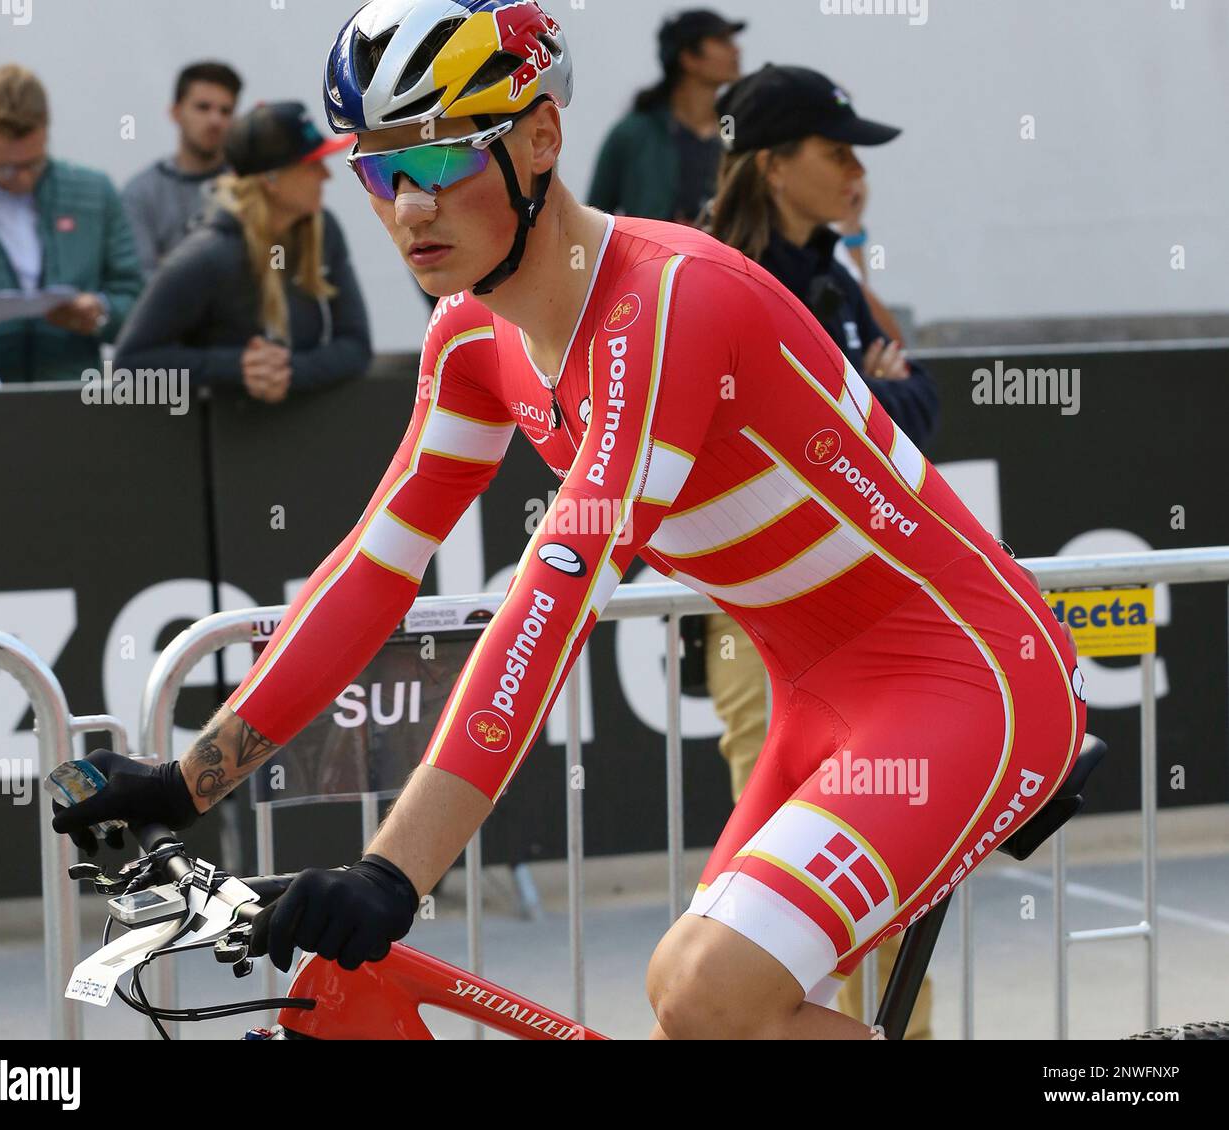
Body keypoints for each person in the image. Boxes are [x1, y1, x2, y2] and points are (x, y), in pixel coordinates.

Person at [54, 1, 1086, 1041]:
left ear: (540, 138)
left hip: (968, 676)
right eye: (378, 170)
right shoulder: (470, 339)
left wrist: (393, 870)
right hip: (815, 696)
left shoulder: (668, 302)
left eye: (441, 159)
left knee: (711, 995)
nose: (409, 205)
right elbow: (375, 565)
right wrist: (187, 781)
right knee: (693, 1009)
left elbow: (554, 593)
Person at [705, 62, 941, 1036]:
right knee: (786, 901)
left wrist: (872, 402)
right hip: (765, 633)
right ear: (770, 164)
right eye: (837, 154)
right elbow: (776, 442)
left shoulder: (834, 274)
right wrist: (874, 397)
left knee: (888, 876)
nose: (859, 176)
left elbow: (915, 416)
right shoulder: (719, 280)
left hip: (867, 621)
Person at [114, 102, 372, 400]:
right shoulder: (206, 255)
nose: (326, 175)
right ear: (271, 179)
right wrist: (237, 368)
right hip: (219, 441)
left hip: (302, 438)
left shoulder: (324, 230)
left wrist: (289, 371)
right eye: (312, 164)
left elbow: (356, 346)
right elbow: (131, 363)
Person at [0, 65, 142, 383]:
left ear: (46, 131)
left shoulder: (93, 195)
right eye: (6, 169)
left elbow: (137, 296)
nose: (24, 178)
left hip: (74, 401)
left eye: (34, 163)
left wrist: (100, 312)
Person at [588, 8, 743, 224]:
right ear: (688, 58)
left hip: (726, 259)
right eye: (722, 40)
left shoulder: (739, 131)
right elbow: (593, 219)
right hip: (650, 258)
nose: (736, 50)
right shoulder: (632, 134)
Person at [120, 61, 244, 279]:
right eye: (203, 107)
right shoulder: (141, 193)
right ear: (175, 112)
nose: (215, 120)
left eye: (226, 111)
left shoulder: (250, 188)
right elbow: (139, 280)